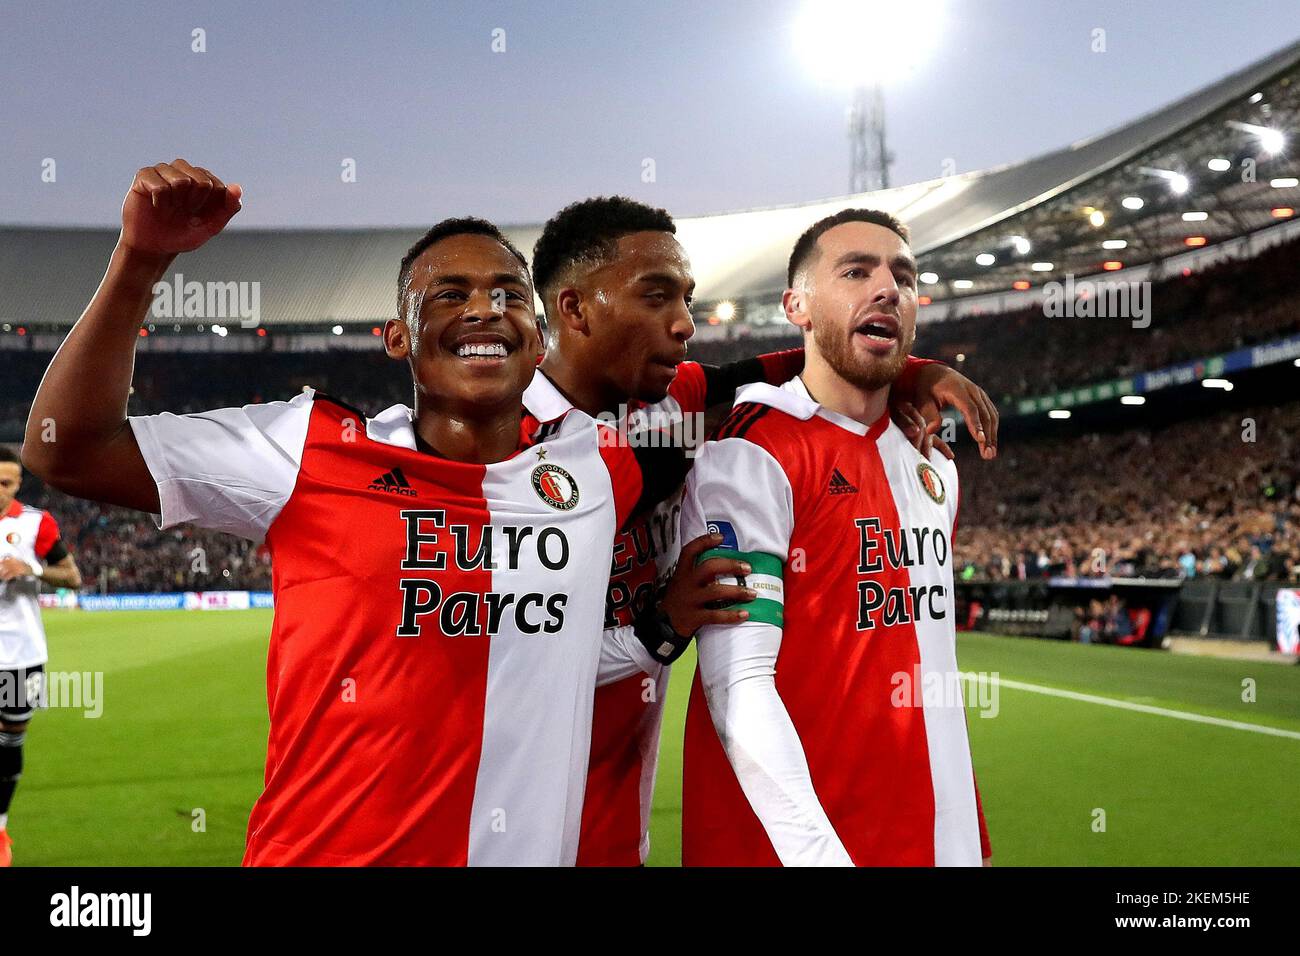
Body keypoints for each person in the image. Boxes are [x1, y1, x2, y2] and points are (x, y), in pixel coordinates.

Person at [22, 160, 681, 866]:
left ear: (540, 338)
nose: (485, 308)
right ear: (398, 338)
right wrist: (140, 262)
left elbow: (743, 393)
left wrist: (665, 628)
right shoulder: (305, 449)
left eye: (508, 294)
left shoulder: (594, 463)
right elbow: (67, 450)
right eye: (450, 294)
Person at [525, 196, 999, 865]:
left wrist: (919, 369)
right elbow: (493, 657)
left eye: (686, 299)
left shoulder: (679, 400)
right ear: (573, 309)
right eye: (658, 297)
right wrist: (655, 632)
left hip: (615, 814)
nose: (686, 325)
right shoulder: (493, 453)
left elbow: (789, 366)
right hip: (505, 806)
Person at [679, 208, 992, 866]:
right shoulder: (752, 450)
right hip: (798, 850)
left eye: (904, 278)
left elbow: (934, 669)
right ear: (797, 305)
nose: (887, 288)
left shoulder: (934, 461)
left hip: (934, 842)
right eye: (855, 271)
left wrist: (969, 838)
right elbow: (738, 683)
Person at [0, 445, 83, 866]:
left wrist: (30, 569)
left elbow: (73, 577)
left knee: (9, 740)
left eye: (6, 483)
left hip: (21, 653)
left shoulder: (36, 524)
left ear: (17, 484)